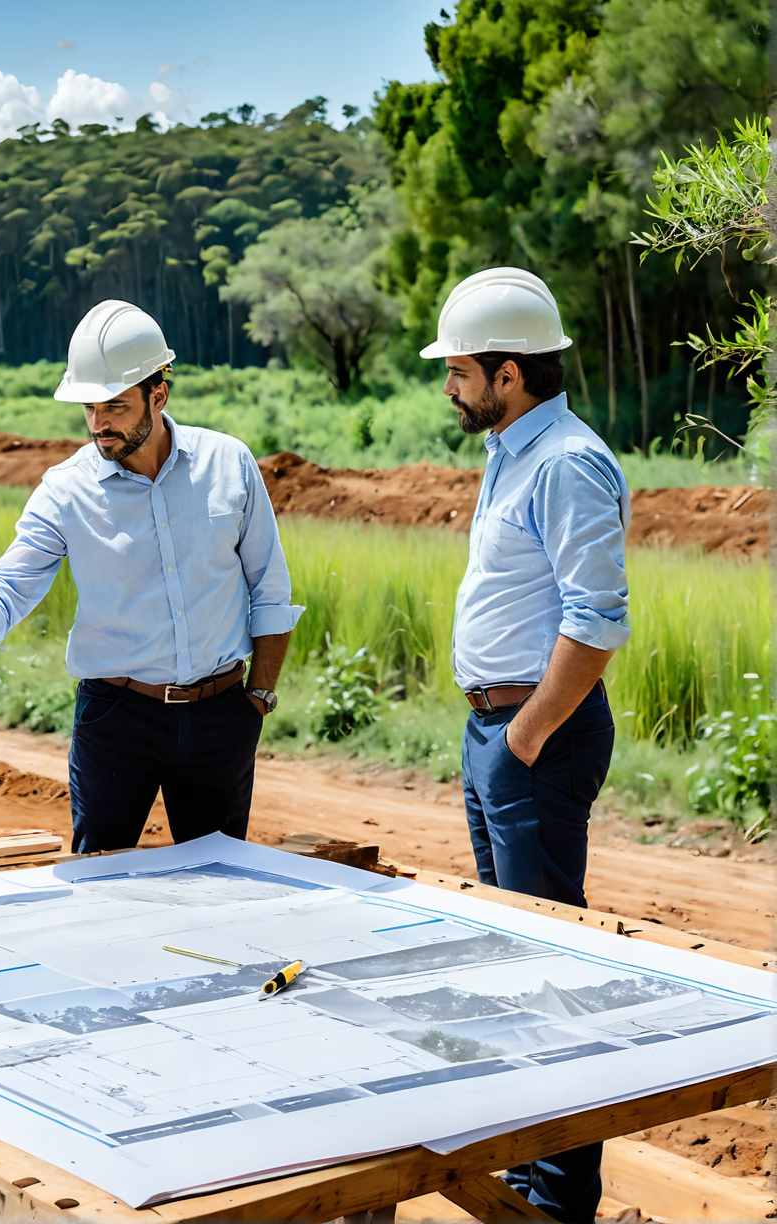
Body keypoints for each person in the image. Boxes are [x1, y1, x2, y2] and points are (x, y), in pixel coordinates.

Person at [0, 300, 303, 853]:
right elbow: (5, 588)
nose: (99, 423)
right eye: (89, 407)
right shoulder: (66, 490)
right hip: (117, 722)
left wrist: (259, 700)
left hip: (223, 715)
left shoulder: (229, 464)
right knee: (99, 883)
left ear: (159, 394)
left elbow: (270, 591)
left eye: (114, 405)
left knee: (220, 884)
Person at [421, 267, 630, 1223]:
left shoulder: (566, 463)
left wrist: (525, 737)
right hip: (498, 730)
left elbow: (595, 621)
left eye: (460, 372)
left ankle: (557, 1198)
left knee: (552, 972)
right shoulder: (512, 449)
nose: (451, 387)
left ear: (509, 372)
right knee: (511, 959)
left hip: (532, 737)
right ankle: (521, 1168)